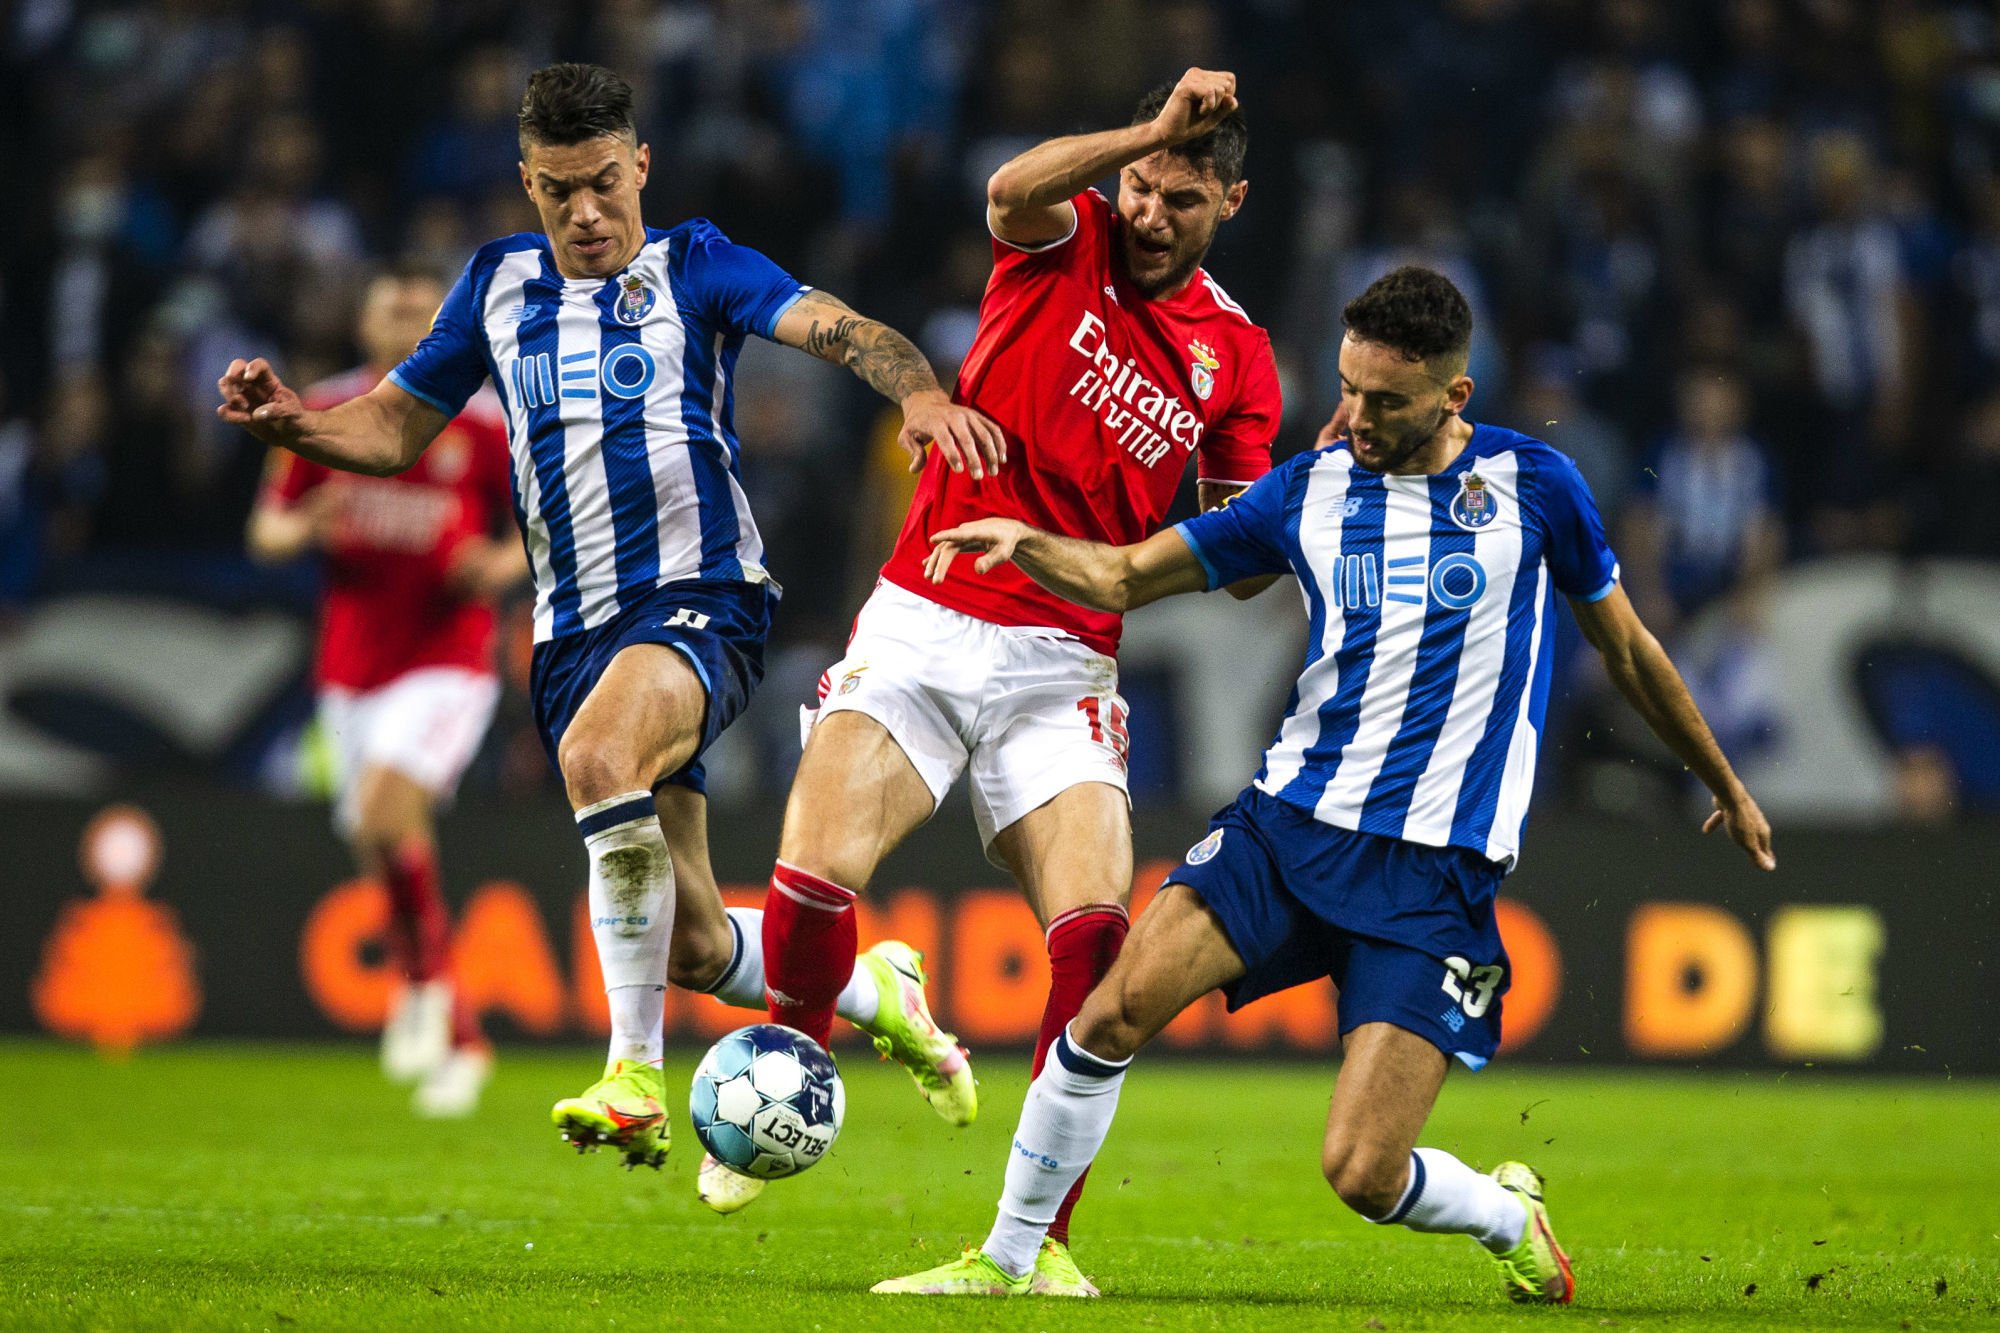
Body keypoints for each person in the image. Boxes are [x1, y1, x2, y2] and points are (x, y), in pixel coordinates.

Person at [876, 266, 1776, 1302]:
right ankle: (1011, 1257)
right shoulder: (1303, 491)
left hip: (1429, 877)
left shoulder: (1534, 489)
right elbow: (1125, 574)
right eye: (1346, 389)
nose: (1353, 415)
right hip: (1285, 829)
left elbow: (1624, 649)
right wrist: (1024, 542)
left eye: (1383, 401)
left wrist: (1722, 779)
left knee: (1360, 1170)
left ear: (1454, 398)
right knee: (1108, 1012)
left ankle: (1500, 1211)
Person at [217, 62, 1001, 1211]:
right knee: (687, 943)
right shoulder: (494, 284)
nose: (584, 213)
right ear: (526, 184)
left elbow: (838, 328)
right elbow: (390, 428)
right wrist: (298, 426)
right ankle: (879, 990)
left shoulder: (695, 263)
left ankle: (633, 1072)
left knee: (595, 760)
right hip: (573, 631)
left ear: (640, 166)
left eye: (601, 185)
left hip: (701, 598)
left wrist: (915, 391)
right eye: (556, 191)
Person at [756, 68, 1281, 1291]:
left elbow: (1238, 558)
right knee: (810, 877)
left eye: (1183, 197)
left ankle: (1034, 1247)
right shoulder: (1067, 234)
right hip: (930, 613)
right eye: (1144, 186)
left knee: (1094, 944)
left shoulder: (1238, 357)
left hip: (1068, 660)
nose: (1150, 211)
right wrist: (1145, 131)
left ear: (1233, 203)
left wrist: (1284, 512)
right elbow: (1006, 185)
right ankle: (788, 1069)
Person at [246, 262, 523, 1117]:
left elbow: (539, 530)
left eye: (420, 308)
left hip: (447, 657)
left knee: (380, 811)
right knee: (379, 840)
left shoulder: (480, 423)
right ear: (365, 322)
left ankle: (427, 991)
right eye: (390, 305)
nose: (405, 318)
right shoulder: (323, 409)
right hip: (351, 666)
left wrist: (500, 566)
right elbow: (265, 529)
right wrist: (301, 529)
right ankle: (447, 1014)